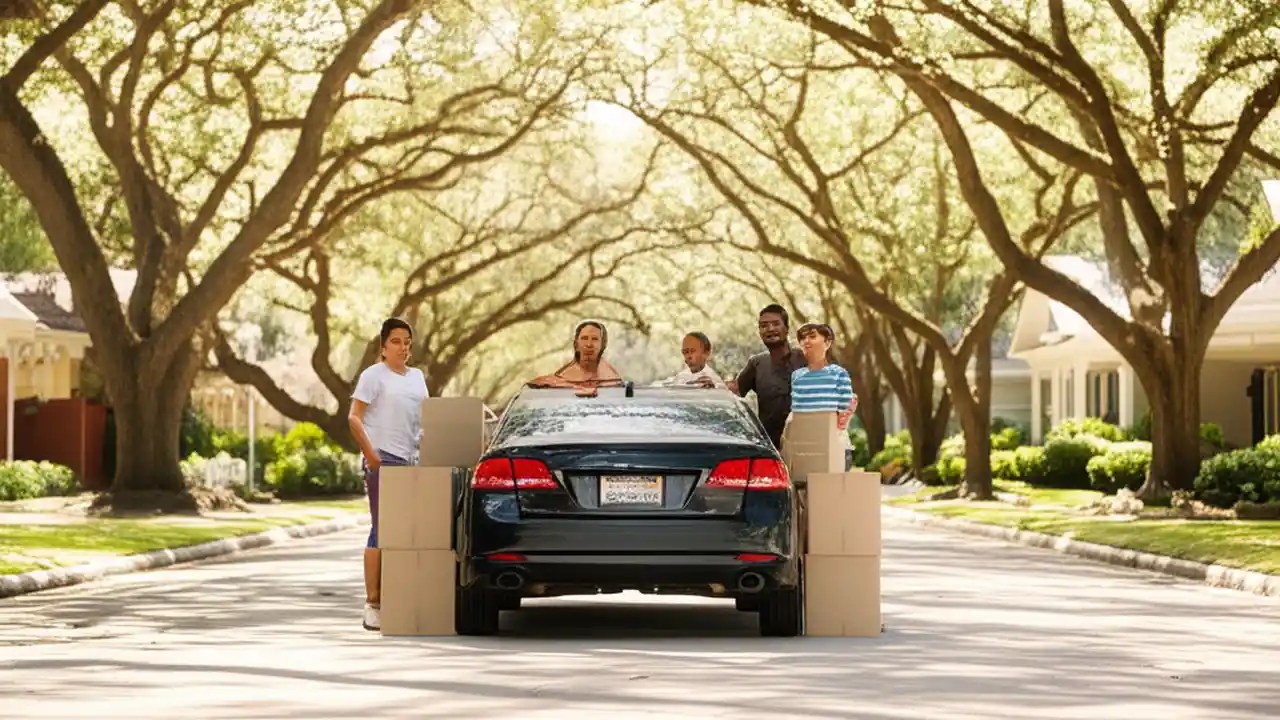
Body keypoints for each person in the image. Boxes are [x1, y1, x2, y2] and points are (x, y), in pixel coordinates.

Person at [348, 317, 429, 632]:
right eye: (396, 341)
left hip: (413, 461)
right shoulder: (373, 376)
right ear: (383, 346)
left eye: (407, 341)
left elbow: (424, 418)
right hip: (384, 459)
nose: (403, 347)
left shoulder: (417, 377)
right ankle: (373, 603)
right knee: (382, 529)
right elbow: (354, 417)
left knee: (409, 532)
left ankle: (401, 599)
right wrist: (371, 454)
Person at [789, 323, 859, 471]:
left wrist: (847, 412)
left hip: (833, 445)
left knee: (831, 490)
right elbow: (797, 413)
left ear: (827, 343)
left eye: (812, 336)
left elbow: (844, 414)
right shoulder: (796, 376)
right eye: (803, 338)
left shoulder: (839, 374)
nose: (806, 341)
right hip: (803, 447)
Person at [529, 319, 625, 389]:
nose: (589, 344)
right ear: (576, 344)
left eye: (595, 339)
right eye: (584, 338)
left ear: (603, 345)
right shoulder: (551, 383)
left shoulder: (615, 383)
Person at [653, 331, 727, 388]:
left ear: (706, 353)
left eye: (692, 351)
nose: (688, 356)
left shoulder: (712, 380)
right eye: (685, 352)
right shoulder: (681, 376)